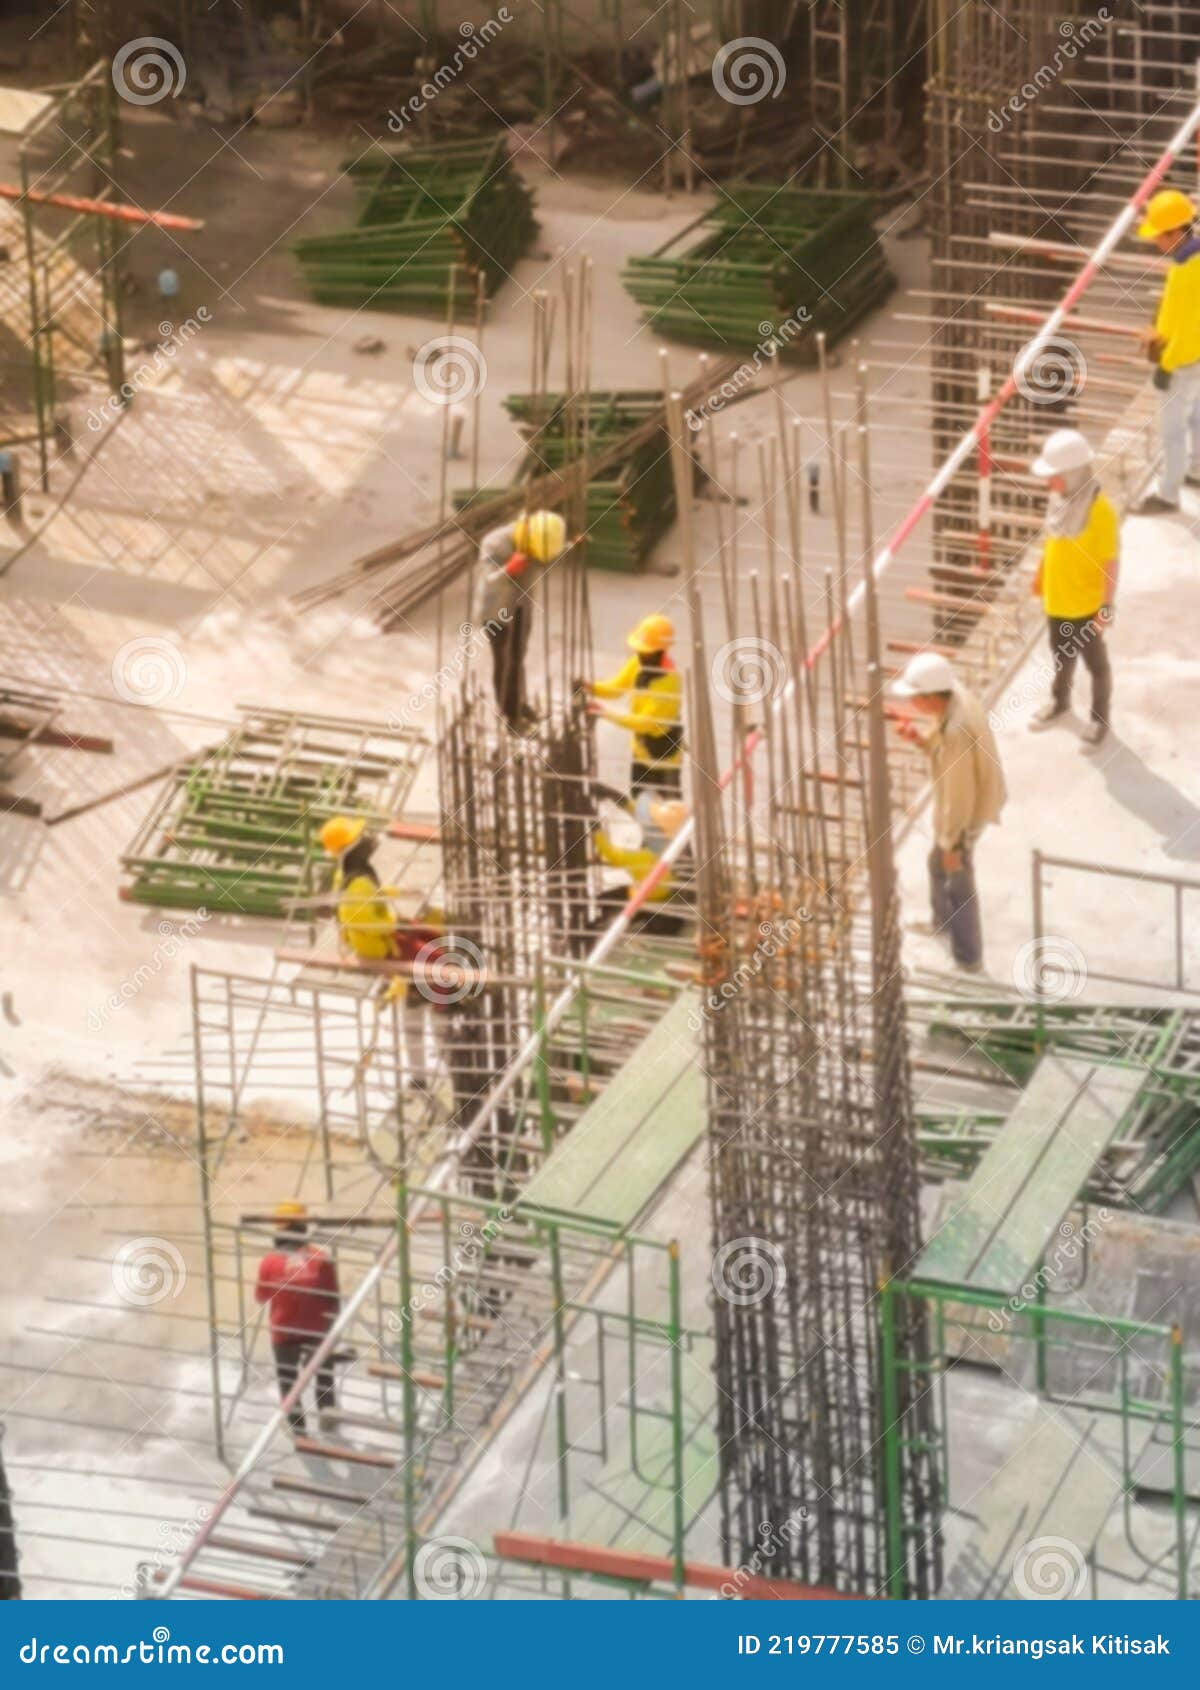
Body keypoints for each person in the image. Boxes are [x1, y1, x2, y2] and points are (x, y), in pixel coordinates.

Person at [891, 652, 1006, 974]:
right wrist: (919, 738)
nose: (913, 705)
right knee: (936, 864)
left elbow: (960, 794)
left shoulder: (957, 732)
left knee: (958, 879)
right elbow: (939, 743)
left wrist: (953, 843)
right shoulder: (953, 695)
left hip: (967, 813)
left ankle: (969, 958)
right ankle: (941, 921)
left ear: (929, 697)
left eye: (915, 698)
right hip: (967, 802)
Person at [1027, 429, 1116, 748]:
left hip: (1086, 607)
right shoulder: (1060, 502)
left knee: (1097, 666)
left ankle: (1099, 720)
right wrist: (1040, 573)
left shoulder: (1100, 512)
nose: (1049, 483)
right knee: (1061, 657)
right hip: (1057, 601)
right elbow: (1052, 543)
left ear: (1073, 473)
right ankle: (1060, 702)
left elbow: (1110, 562)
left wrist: (1106, 607)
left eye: (1055, 476)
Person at [1134, 188, 1200, 514]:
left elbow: (1185, 329)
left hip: (1183, 361)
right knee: (1198, 418)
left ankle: (1169, 495)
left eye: (1160, 236)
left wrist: (1166, 365)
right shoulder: (1191, 260)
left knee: (1172, 431)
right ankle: (1198, 470)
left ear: (1176, 231)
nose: (1157, 243)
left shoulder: (1186, 273)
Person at [472, 509, 567, 730]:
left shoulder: (535, 539)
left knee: (518, 657)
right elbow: (487, 580)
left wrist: (569, 545)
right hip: (496, 610)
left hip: (521, 604)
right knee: (504, 661)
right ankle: (509, 714)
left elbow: (544, 557)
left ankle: (519, 703)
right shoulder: (494, 543)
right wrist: (508, 569)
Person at [254, 1202, 340, 1439]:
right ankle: (328, 1413)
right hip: (316, 1330)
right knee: (323, 1371)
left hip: (284, 1332)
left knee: (288, 1378)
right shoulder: (321, 1258)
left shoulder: (270, 1262)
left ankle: (297, 1425)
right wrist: (331, 1332)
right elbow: (333, 1299)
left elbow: (261, 1296)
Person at [586, 614, 683, 797]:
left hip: (664, 761)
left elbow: (644, 722)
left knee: (669, 813)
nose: (640, 654)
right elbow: (616, 687)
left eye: (646, 651)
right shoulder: (638, 664)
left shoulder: (670, 682)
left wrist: (605, 714)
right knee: (641, 806)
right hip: (641, 753)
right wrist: (591, 688)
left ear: (661, 651)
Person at [593, 792, 690, 934]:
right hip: (671, 895)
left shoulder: (644, 858)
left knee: (607, 899)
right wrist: (622, 800)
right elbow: (643, 820)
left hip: (653, 904)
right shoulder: (673, 844)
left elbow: (613, 855)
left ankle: (622, 921)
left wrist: (596, 832)